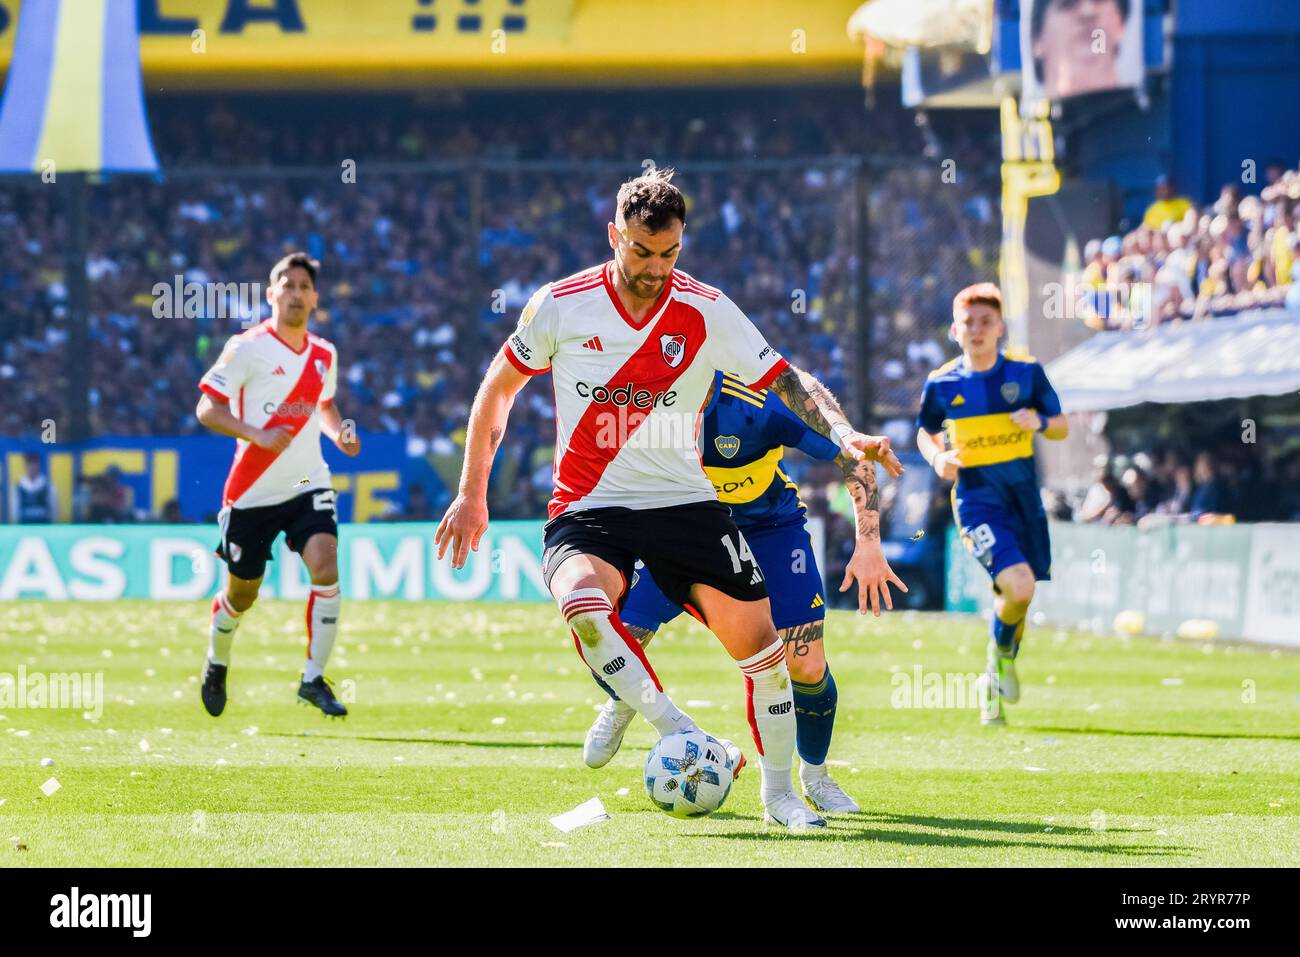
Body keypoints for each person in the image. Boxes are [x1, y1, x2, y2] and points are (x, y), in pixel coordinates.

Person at [435, 168, 898, 829]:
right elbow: (498, 387)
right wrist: (471, 492)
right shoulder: (562, 304)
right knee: (583, 604)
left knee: (768, 654)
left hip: (686, 505)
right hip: (587, 509)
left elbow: (788, 379)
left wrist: (847, 434)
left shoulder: (706, 308)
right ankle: (675, 727)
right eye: (641, 251)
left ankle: (781, 795)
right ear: (614, 235)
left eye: (669, 253)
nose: (656, 268)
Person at [581, 369, 906, 814]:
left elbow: (853, 455)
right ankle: (627, 701)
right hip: (680, 534)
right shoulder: (636, 403)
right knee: (608, 635)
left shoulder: (757, 405)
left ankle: (814, 776)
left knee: (805, 665)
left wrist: (868, 543)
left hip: (768, 530)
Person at [194, 252, 360, 718]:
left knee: (325, 567)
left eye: (304, 286)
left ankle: (312, 679)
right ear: (271, 295)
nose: (295, 293)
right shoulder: (246, 348)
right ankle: (217, 660)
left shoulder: (325, 353)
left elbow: (325, 406)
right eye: (286, 285)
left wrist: (339, 432)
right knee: (243, 594)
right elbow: (207, 408)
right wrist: (258, 433)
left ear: (315, 298)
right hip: (253, 491)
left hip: (310, 481)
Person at [916, 283, 1069, 726]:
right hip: (976, 501)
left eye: (986, 322)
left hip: (1023, 501)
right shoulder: (943, 383)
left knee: (1017, 595)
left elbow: (1061, 426)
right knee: (1018, 587)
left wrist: (1040, 420)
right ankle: (996, 664)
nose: (978, 330)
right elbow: (924, 432)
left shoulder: (1026, 374)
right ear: (954, 330)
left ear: (1001, 327)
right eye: (969, 322)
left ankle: (998, 666)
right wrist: (937, 457)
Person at [9, 452, 57, 524]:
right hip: (24, 526)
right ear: (25, 466)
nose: (32, 467)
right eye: (29, 464)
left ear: (38, 465)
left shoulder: (48, 485)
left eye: (34, 464)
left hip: (43, 526)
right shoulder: (18, 486)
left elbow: (54, 509)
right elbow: (14, 510)